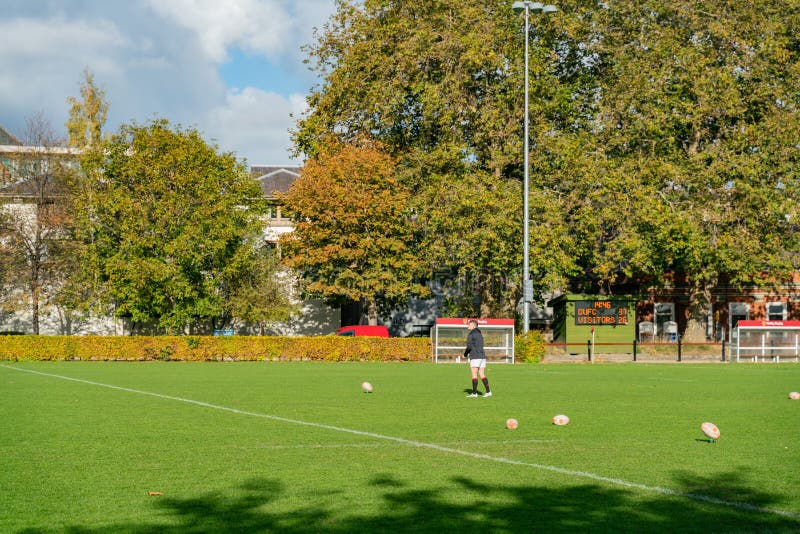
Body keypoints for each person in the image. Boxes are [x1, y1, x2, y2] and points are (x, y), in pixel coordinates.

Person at [464, 319, 491, 398]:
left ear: (473, 325)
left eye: (468, 325)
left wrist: (465, 354)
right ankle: (488, 392)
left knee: (474, 374)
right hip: (482, 356)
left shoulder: (471, 334)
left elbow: (469, 346)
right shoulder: (480, 334)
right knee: (482, 374)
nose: (467, 326)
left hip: (475, 356)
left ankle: (474, 393)